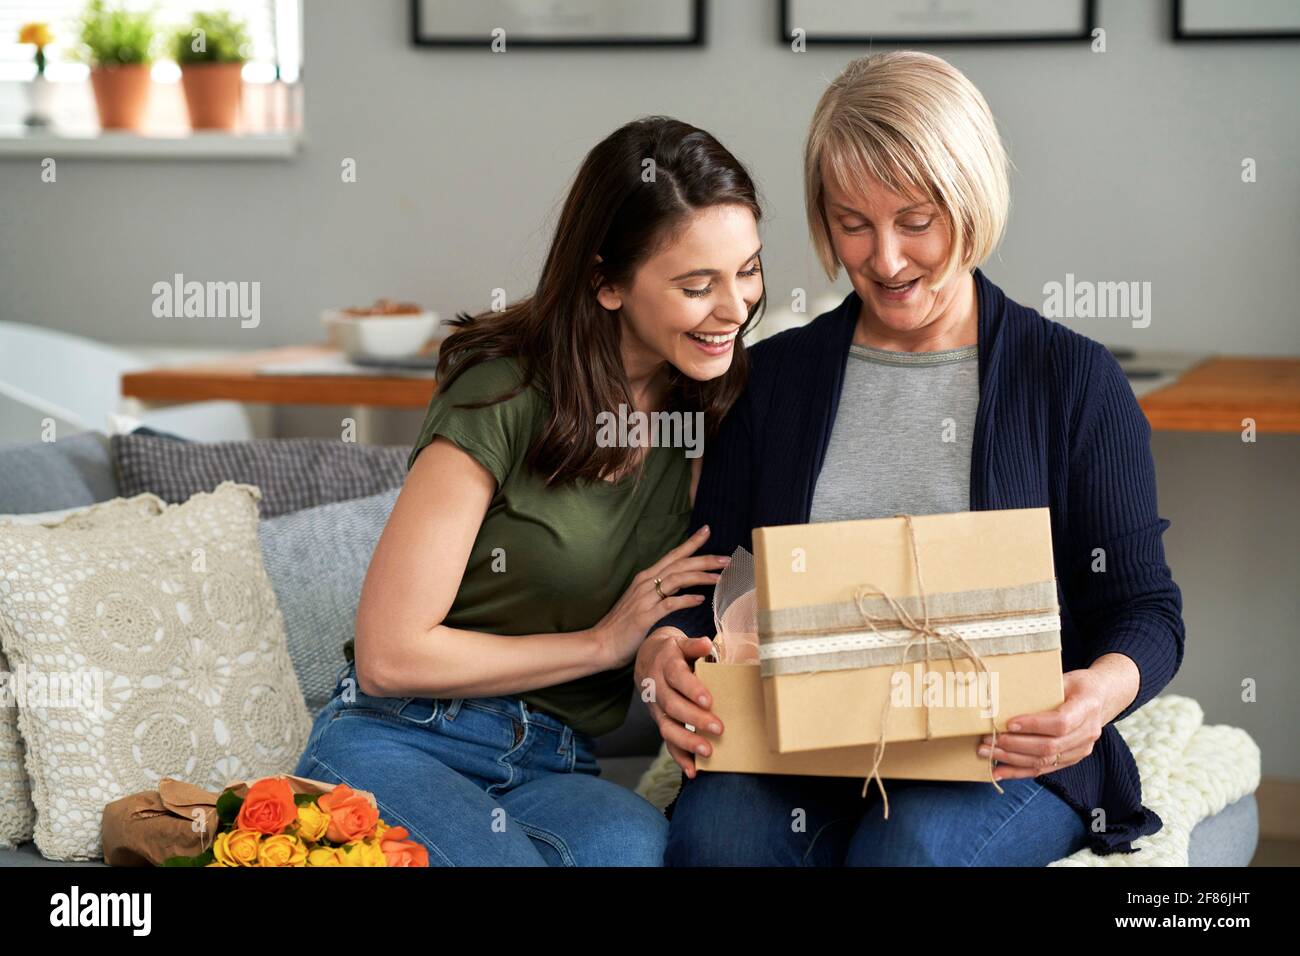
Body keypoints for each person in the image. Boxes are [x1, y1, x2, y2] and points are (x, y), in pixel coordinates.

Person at [639, 51, 1186, 866]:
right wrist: (664, 652)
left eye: (916, 221)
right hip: (796, 747)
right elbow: (704, 581)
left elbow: (1145, 609)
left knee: (915, 850)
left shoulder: (1069, 379)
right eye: (852, 223)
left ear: (970, 203)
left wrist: (1098, 694)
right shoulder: (775, 379)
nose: (885, 260)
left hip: (997, 754)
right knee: (719, 840)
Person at [293, 116, 768, 865]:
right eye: (696, 285)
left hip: (553, 763)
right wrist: (601, 643)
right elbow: (390, 654)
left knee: (638, 854)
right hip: (404, 737)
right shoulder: (503, 394)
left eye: (748, 271)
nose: (735, 309)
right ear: (605, 282)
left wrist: (662, 654)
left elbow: (697, 605)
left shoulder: (712, 414)